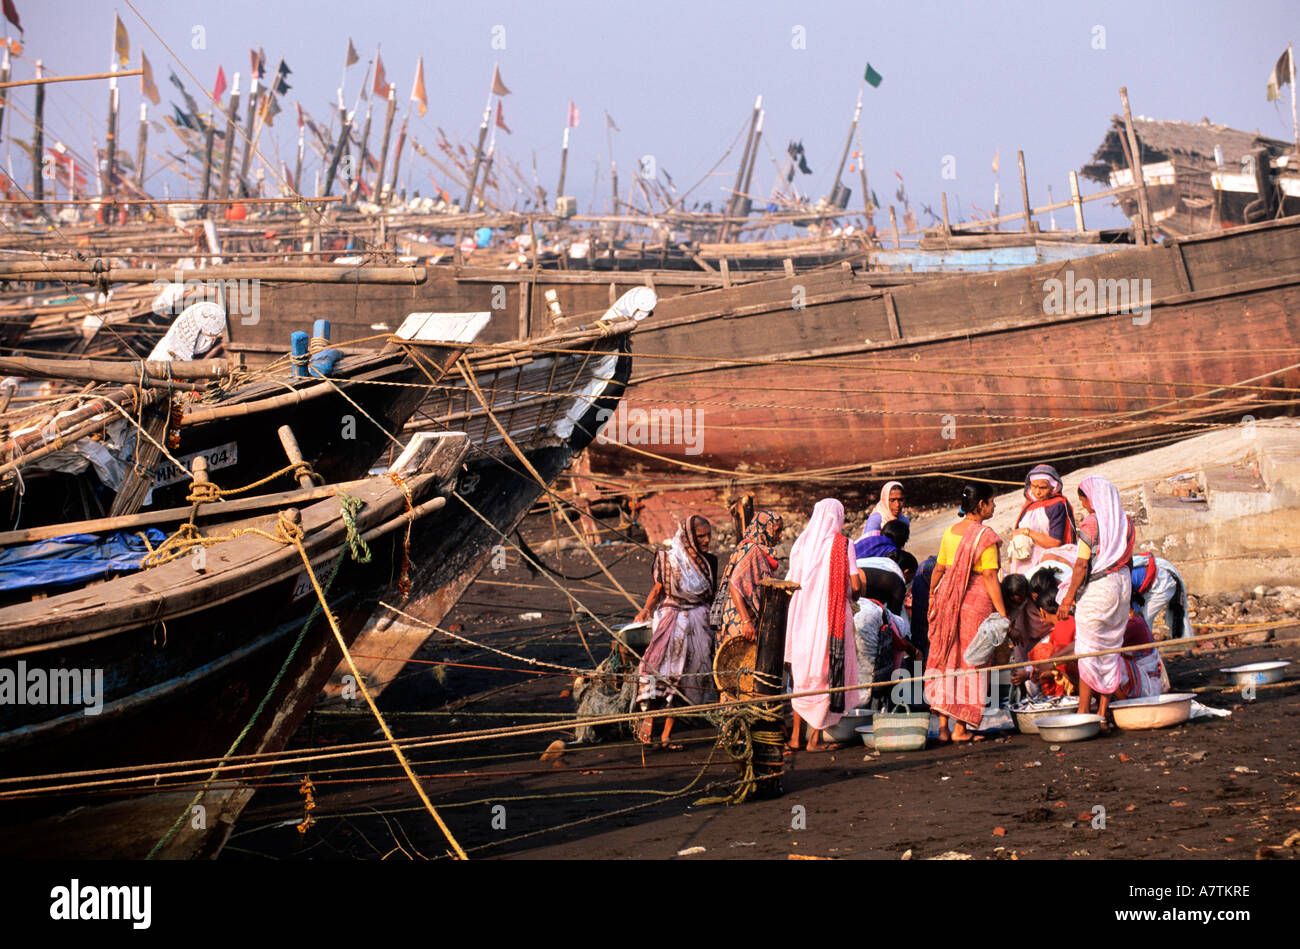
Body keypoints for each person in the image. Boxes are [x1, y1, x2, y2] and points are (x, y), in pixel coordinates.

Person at [925, 482, 1008, 742]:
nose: (994, 506)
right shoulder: (985, 536)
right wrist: (1003, 615)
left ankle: (942, 728)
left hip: (947, 601)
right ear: (981, 505)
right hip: (975, 605)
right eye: (991, 502)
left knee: (945, 658)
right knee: (971, 662)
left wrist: (932, 596)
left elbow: (939, 569)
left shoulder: (950, 532)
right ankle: (960, 728)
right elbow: (991, 576)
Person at [1054, 476, 1135, 727]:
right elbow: (1128, 559)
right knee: (1109, 649)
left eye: (1084, 500)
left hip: (1100, 589)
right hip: (1122, 585)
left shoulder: (1091, 523)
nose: (1084, 506)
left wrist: (1067, 599)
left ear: (1093, 498)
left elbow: (1080, 565)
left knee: (1087, 649)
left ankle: (1083, 712)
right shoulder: (1126, 522)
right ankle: (1102, 711)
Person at [784, 499, 863, 751]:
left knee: (804, 678)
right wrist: (855, 595)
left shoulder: (802, 543)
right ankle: (815, 740)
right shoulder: (844, 545)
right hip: (832, 620)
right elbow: (856, 585)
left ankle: (796, 737)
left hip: (802, 620)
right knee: (827, 674)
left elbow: (792, 581)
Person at [633, 516, 716, 750]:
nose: (706, 540)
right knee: (655, 669)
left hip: (699, 625)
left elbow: (711, 596)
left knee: (687, 679)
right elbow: (658, 590)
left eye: (708, 535)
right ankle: (647, 724)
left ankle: (667, 735)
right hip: (672, 621)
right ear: (689, 536)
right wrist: (646, 609)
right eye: (701, 536)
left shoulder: (709, 562)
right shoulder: (668, 559)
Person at [716, 511, 784, 643]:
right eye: (777, 531)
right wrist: (746, 621)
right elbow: (734, 583)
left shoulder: (754, 548)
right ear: (765, 529)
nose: (780, 536)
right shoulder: (752, 550)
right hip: (740, 622)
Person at [1008, 464, 1078, 574]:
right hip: (1024, 559)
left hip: (1047, 561)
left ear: (1053, 487)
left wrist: (1027, 532)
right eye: (1034, 486)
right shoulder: (1030, 505)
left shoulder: (1056, 506)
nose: (1037, 492)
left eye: (1043, 487)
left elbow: (1054, 543)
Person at [1130, 553, 1193, 640]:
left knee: (1142, 623)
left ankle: (1146, 650)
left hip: (1162, 583)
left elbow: (1133, 608)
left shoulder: (1120, 583)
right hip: (1145, 583)